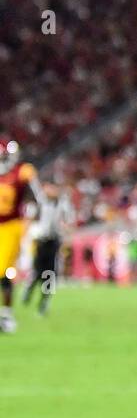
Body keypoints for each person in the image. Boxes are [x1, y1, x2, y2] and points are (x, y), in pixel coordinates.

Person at [0, 137, 41, 334]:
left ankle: (6, 315)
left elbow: (36, 198)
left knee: (4, 271)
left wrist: (31, 216)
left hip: (10, 227)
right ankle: (6, 315)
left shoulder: (21, 173)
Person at [22, 181, 71, 317]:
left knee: (49, 273)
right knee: (37, 271)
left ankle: (44, 302)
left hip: (53, 241)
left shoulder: (62, 203)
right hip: (39, 241)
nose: (53, 191)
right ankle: (29, 289)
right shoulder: (38, 201)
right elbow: (29, 219)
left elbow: (68, 221)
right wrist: (25, 238)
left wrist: (66, 233)